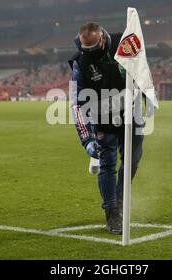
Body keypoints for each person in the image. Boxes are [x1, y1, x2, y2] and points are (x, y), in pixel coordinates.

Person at [68, 22, 144, 235]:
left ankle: (120, 197)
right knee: (108, 162)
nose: (89, 53)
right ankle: (112, 212)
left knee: (133, 158)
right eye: (85, 49)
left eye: (93, 48)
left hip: (131, 111)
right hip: (102, 115)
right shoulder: (80, 63)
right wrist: (87, 140)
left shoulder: (123, 43)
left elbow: (142, 69)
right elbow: (77, 104)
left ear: (102, 38)